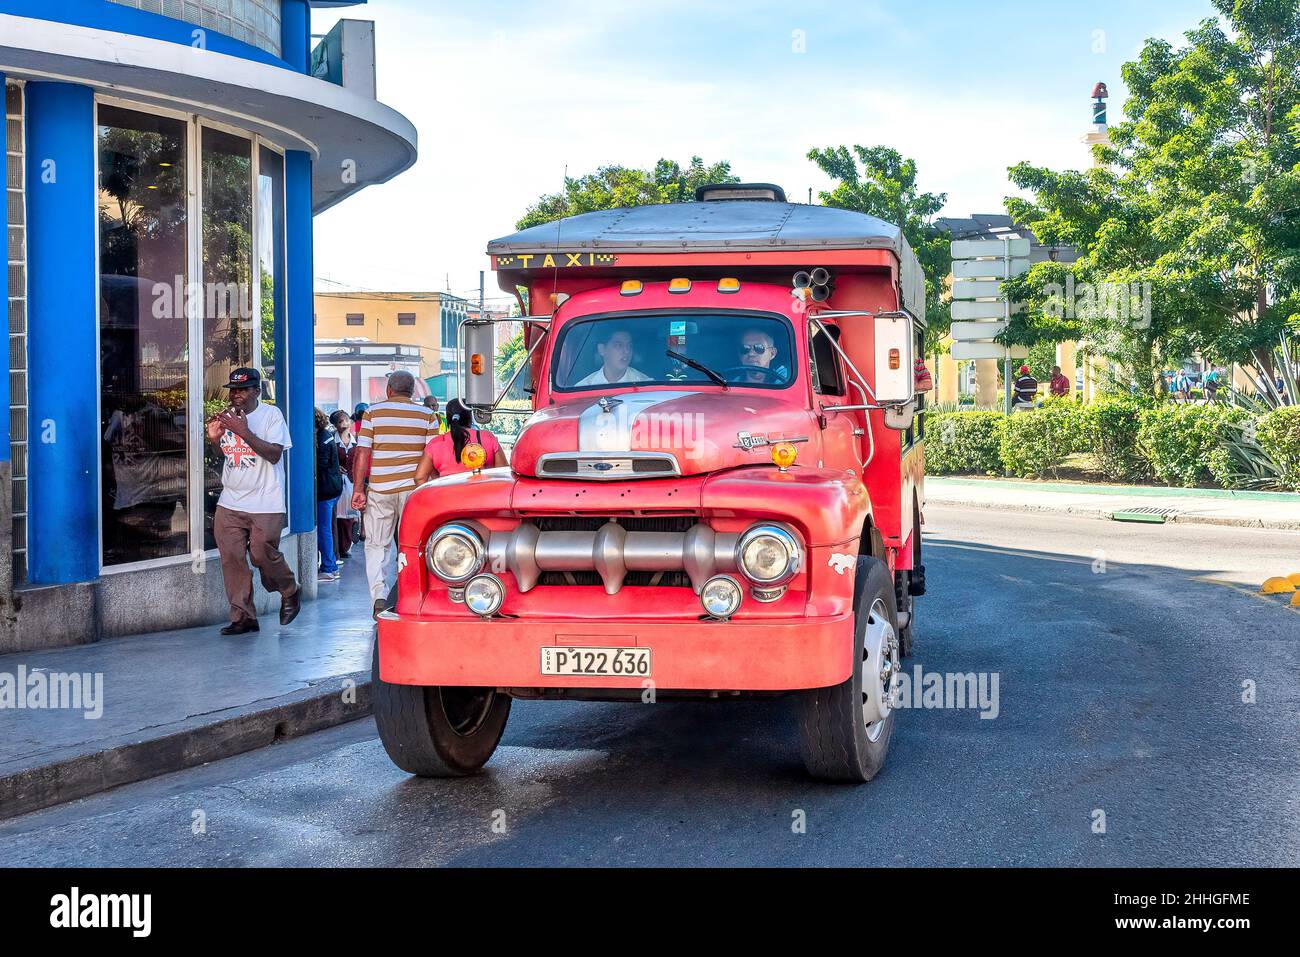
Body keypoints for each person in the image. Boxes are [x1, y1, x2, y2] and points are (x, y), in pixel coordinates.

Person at [207, 368, 299, 635]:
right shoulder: (226, 417)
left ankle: (289, 590)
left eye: (243, 389)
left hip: (265, 501)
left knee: (262, 554)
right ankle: (243, 617)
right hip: (231, 501)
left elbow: (273, 454)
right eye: (233, 390)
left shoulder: (271, 415)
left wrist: (243, 431)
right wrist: (214, 440)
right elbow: (227, 456)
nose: (236, 395)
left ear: (257, 391)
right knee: (232, 559)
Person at [351, 371, 442, 618]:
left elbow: (362, 453)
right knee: (414, 543)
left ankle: (379, 597)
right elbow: (433, 455)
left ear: (389, 390)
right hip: (415, 492)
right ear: (412, 392)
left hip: (380, 490)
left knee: (376, 546)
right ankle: (413, 595)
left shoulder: (372, 413)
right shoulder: (428, 416)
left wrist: (358, 488)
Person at [415, 398, 509, 484]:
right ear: (470, 417)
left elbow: (419, 478)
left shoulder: (435, 444)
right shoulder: (487, 437)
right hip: (483, 498)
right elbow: (503, 474)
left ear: (448, 419)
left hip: (447, 499)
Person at [315, 408, 344, 583]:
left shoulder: (321, 439)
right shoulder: (327, 435)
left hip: (326, 490)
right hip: (333, 488)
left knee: (324, 529)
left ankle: (328, 567)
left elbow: (321, 465)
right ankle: (330, 565)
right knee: (327, 528)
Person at [575, 328, 650, 386]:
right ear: (602, 349)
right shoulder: (584, 387)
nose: (626, 351)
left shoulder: (646, 384)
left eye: (629, 346)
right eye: (618, 345)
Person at [329, 409, 358, 559]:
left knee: (350, 516)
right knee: (337, 517)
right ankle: (338, 547)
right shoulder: (332, 441)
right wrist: (335, 468)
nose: (345, 424)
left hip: (352, 482)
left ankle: (347, 546)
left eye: (346, 420)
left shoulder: (356, 441)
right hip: (336, 483)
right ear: (335, 425)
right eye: (340, 421)